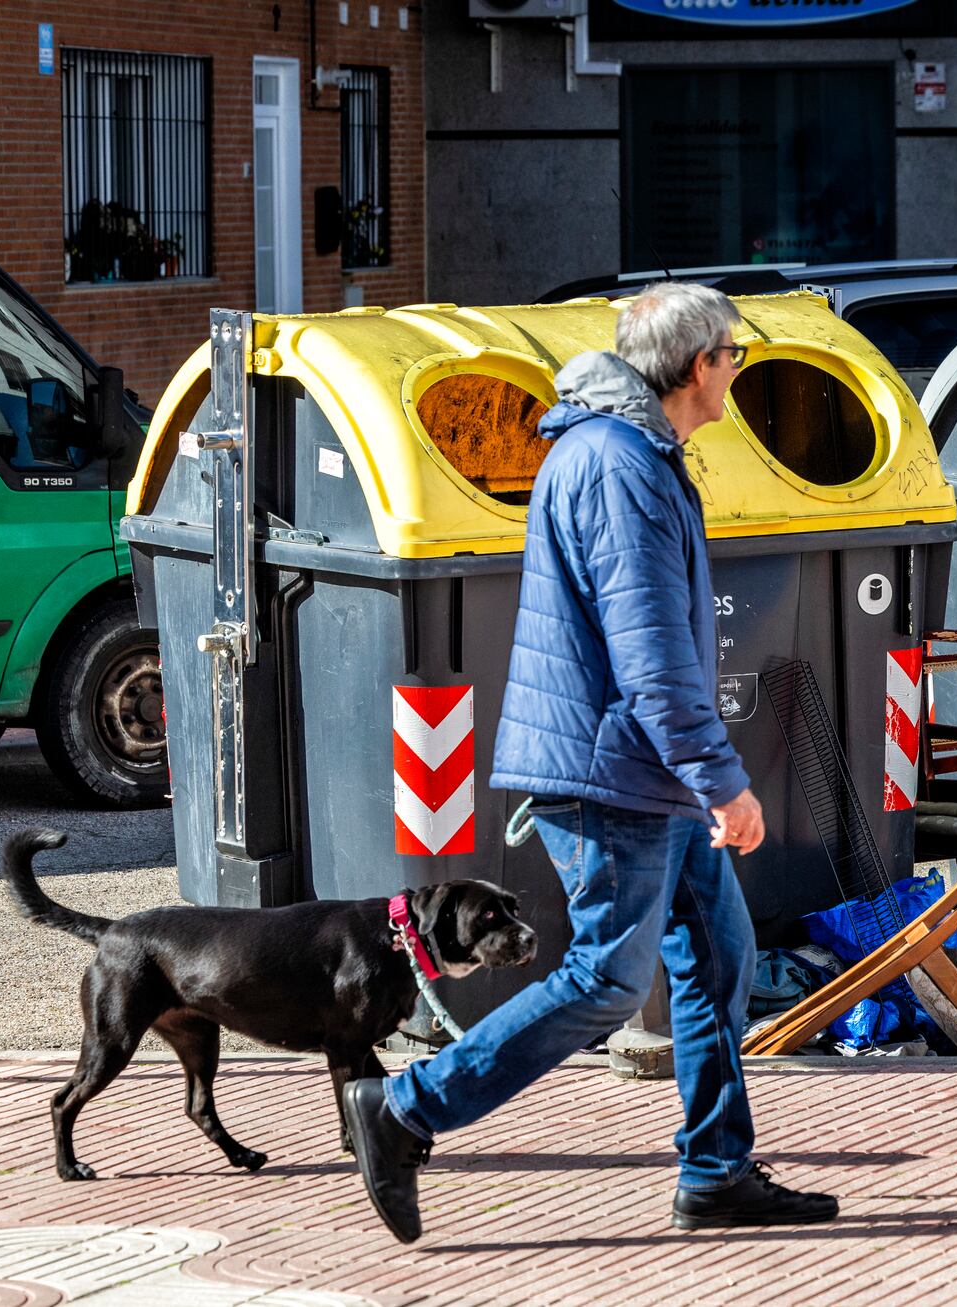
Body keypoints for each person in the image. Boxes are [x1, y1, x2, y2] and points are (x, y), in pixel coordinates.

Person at [342, 282, 838, 1242]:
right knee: (609, 980)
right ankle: (406, 1108)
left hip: (637, 769)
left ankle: (717, 1170)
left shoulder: (633, 451)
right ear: (700, 366)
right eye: (733, 354)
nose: (738, 368)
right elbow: (650, 651)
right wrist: (722, 779)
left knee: (719, 952)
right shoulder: (619, 465)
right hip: (613, 771)